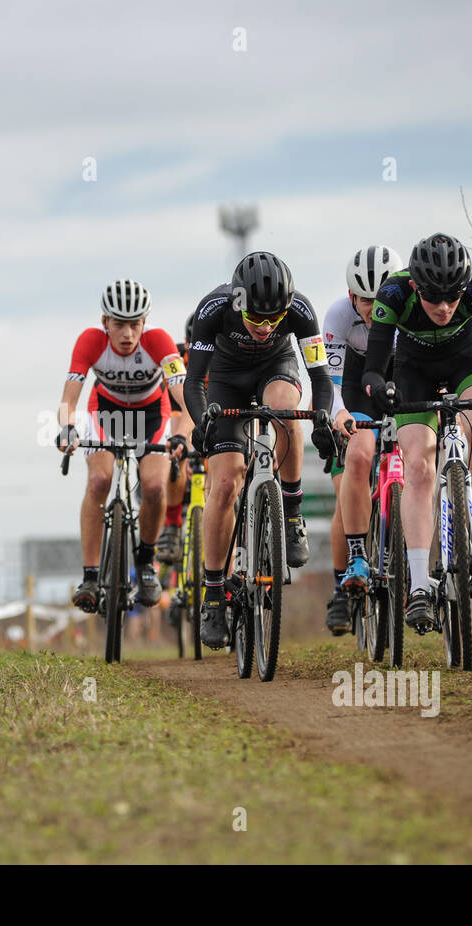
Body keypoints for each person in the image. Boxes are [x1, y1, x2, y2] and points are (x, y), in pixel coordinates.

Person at [360, 234, 472, 631]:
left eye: (452, 298)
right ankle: (419, 585)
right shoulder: (392, 294)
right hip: (413, 369)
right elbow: (373, 366)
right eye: (434, 298)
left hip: (464, 358)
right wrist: (379, 388)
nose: (444, 307)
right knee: (418, 467)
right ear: (416, 286)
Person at [184, 252, 335, 649]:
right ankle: (214, 594)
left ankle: (293, 513)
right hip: (226, 381)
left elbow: (320, 378)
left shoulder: (301, 310)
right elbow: (194, 381)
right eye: (256, 319)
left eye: (274, 319)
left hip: (276, 370)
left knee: (287, 411)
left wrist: (320, 418)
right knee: (226, 482)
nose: (266, 327)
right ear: (238, 303)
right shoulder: (213, 308)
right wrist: (203, 422)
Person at [56, 279, 191, 613]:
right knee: (99, 481)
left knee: (155, 486)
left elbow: (186, 403)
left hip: (151, 415)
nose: (128, 334)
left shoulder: (158, 342)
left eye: (135, 324)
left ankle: (146, 563)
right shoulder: (89, 341)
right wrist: (67, 428)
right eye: (119, 324)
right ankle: (89, 577)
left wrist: (182, 436)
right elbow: (68, 400)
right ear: (105, 323)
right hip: (105, 413)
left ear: (145, 323)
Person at [322, 245, 403, 635]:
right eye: (366, 299)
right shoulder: (338, 316)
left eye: (381, 297)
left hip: (399, 386)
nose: (374, 307)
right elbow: (331, 382)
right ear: (352, 296)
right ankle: (346, 577)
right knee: (353, 467)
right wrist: (337, 414)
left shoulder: (409, 313)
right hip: (354, 391)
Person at [157, 310, 197, 566]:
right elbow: (172, 407)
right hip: (177, 415)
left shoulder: (226, 361)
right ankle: (172, 524)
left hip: (211, 419)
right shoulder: (174, 358)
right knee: (178, 449)